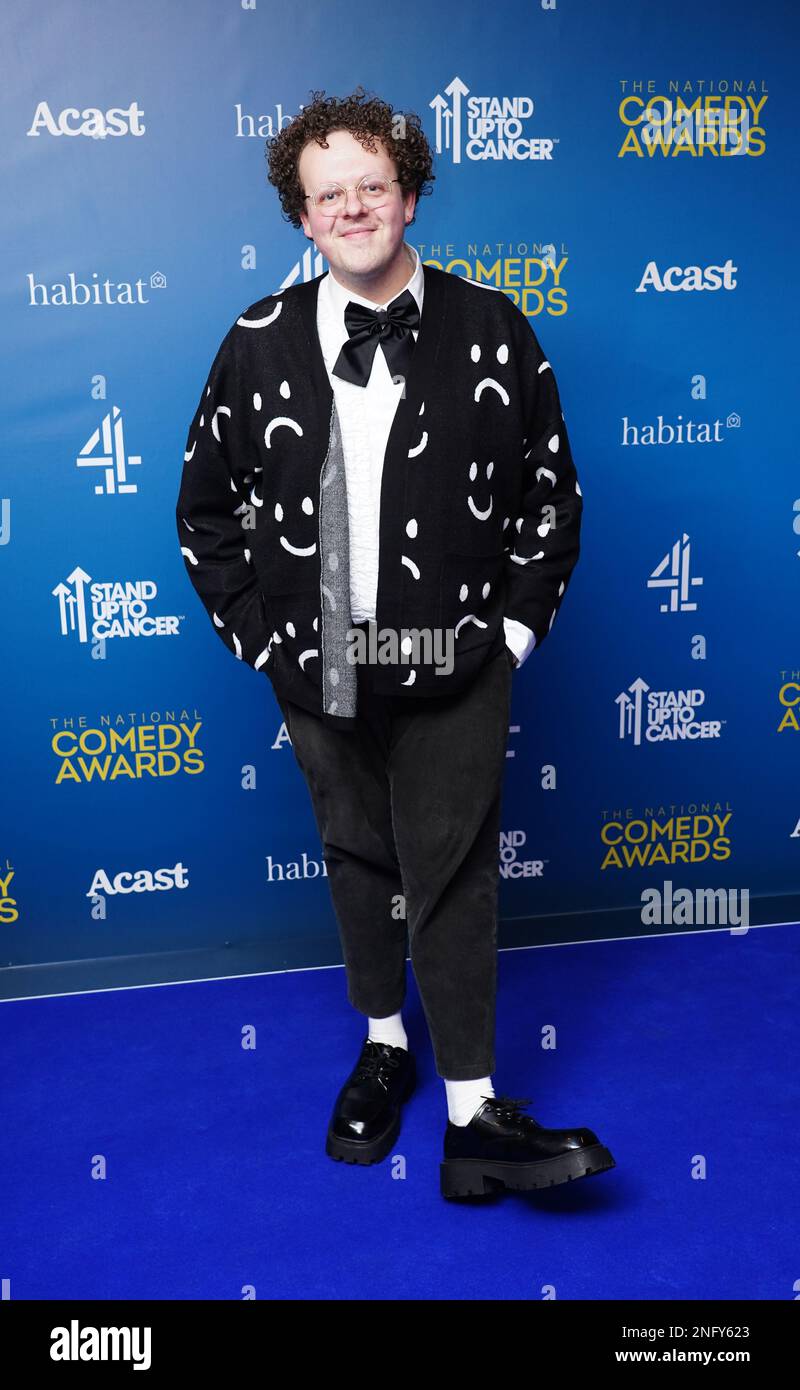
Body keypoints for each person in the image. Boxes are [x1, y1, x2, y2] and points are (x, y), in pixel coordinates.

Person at [175, 85, 615, 1200]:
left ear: (409, 195)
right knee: (357, 854)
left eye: (373, 185)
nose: (354, 209)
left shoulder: (495, 328)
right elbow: (205, 510)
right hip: (318, 652)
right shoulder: (256, 343)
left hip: (457, 655)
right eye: (330, 195)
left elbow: (551, 496)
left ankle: (473, 1116)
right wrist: (265, 640)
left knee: (454, 868)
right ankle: (383, 1047)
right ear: (302, 217)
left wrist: (510, 634)